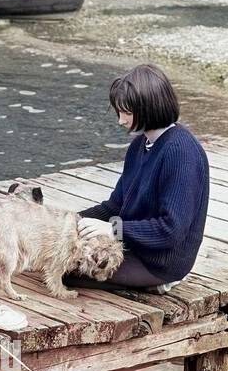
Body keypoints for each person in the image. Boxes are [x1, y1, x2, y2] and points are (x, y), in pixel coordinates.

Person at [76, 64, 209, 293]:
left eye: (127, 112)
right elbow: (115, 206)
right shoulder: (140, 144)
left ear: (149, 107)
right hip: (132, 246)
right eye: (119, 112)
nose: (120, 120)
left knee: (66, 268)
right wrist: (71, 220)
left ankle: (158, 284)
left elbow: (171, 229)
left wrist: (113, 230)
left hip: (160, 262)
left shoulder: (181, 152)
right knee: (54, 253)